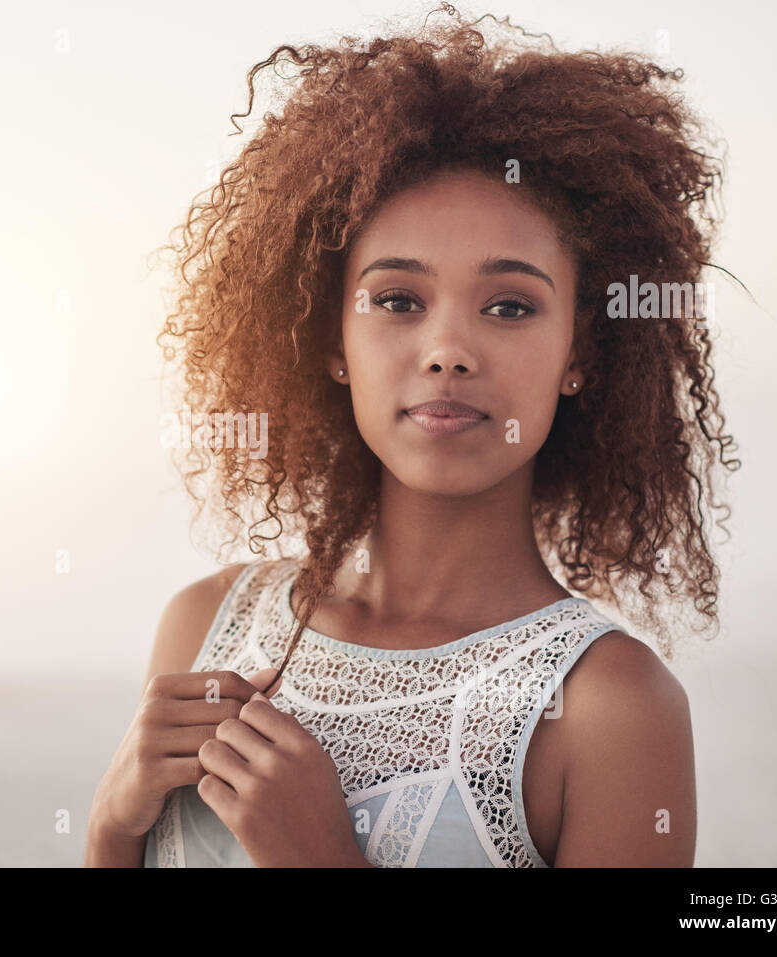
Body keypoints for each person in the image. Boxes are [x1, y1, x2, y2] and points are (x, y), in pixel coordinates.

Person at [86, 2, 739, 868]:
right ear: (332, 340)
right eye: (398, 300)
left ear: (582, 350)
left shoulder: (612, 709)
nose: (448, 352)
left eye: (509, 306)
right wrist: (108, 828)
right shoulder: (204, 626)